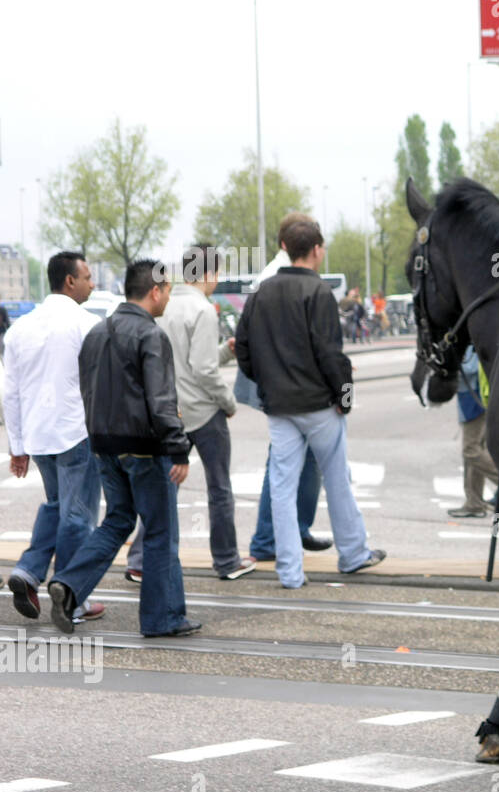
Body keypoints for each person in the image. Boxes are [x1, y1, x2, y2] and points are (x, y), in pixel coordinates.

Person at [47, 260, 198, 637]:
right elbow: (162, 399)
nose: (167, 299)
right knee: (161, 531)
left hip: (103, 444)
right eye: (167, 292)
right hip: (146, 447)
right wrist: (178, 449)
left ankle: (68, 583)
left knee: (117, 520)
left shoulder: (97, 333)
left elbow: (85, 390)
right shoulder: (151, 335)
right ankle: (162, 619)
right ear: (155, 291)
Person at [236, 215, 384, 588]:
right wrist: (344, 398)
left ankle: (290, 572)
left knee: (282, 488)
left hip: (279, 407)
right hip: (319, 405)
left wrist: (267, 384)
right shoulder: (318, 292)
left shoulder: (261, 292)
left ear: (285, 248)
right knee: (337, 479)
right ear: (316, 250)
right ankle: (353, 553)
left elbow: (244, 350)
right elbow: (332, 355)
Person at [3, 252, 106, 624]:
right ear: (70, 281)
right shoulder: (85, 324)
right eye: (88, 277)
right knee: (78, 516)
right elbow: (100, 383)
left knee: (57, 504)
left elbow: (9, 392)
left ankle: (29, 570)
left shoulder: (19, 329)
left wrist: (17, 446)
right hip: (76, 431)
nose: (92, 283)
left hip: (37, 434)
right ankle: (70, 595)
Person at [237, 219, 332, 563]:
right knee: (283, 460)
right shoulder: (277, 279)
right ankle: (267, 538)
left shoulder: (278, 275)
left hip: (280, 381)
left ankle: (295, 528)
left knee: (304, 459)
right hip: (284, 384)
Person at [158, 246, 255, 580]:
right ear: (209, 274)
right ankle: (227, 560)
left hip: (171, 412)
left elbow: (182, 361)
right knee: (219, 488)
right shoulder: (203, 309)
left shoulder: (164, 305)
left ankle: (142, 559)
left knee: (166, 488)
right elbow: (202, 369)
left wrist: (222, 354)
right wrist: (228, 402)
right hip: (203, 412)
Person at [449, 346, 496, 518]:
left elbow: (470, 368)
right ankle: (474, 502)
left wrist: (448, 365)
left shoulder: (470, 341)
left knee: (471, 450)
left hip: (474, 399)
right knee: (473, 453)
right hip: (469, 398)